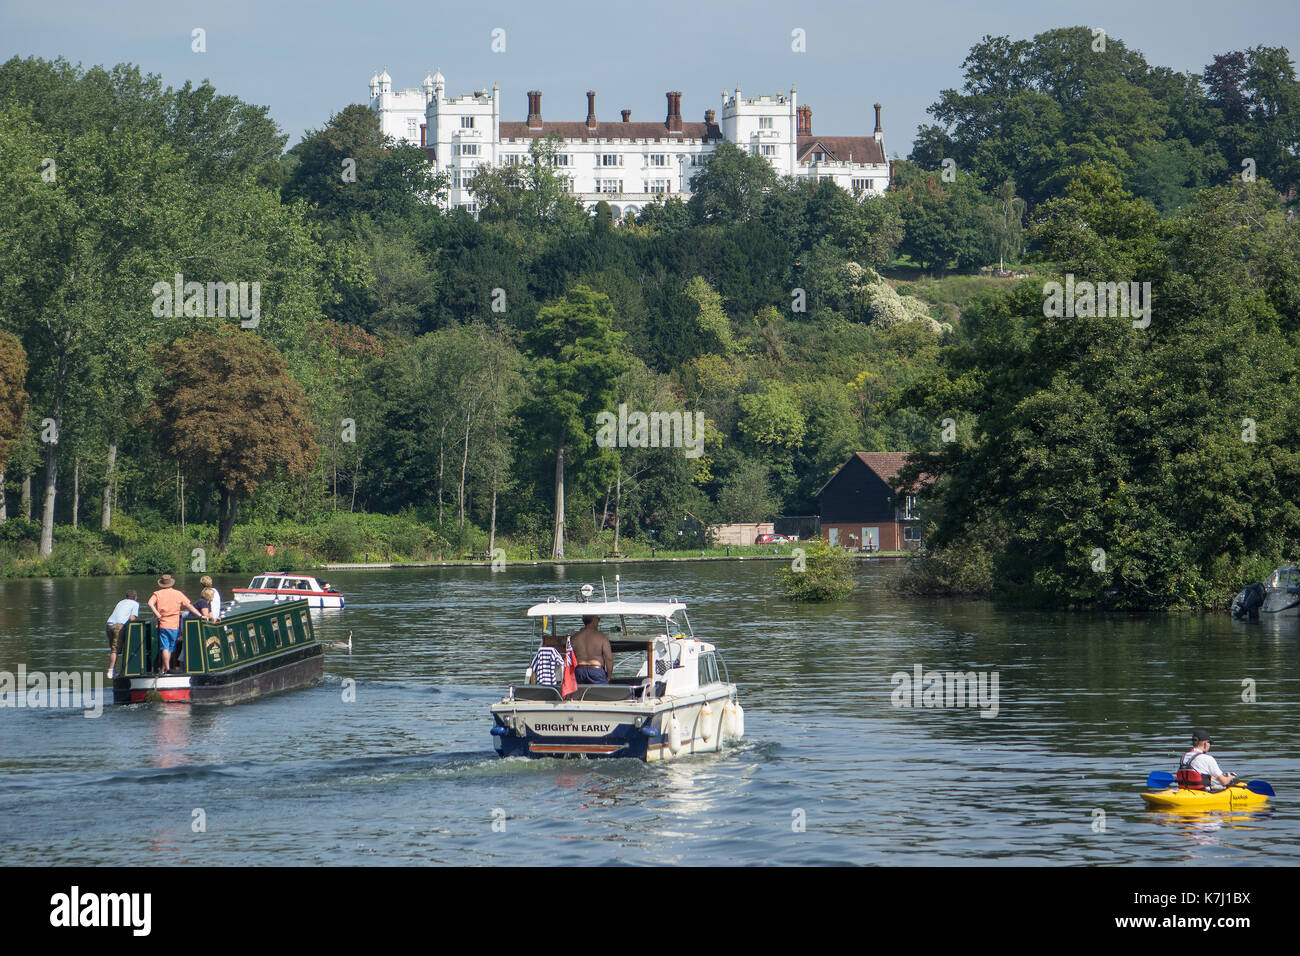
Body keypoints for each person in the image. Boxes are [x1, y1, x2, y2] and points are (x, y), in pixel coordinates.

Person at [148, 574, 200, 673]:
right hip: (174, 624)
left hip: (162, 623)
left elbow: (150, 603)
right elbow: (189, 606)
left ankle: (165, 669)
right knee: (171, 648)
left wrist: (157, 614)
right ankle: (167, 669)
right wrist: (200, 615)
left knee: (165, 647)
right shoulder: (178, 593)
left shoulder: (157, 594)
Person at [106, 589, 139, 678]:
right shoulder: (135, 604)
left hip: (109, 625)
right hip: (118, 626)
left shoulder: (120, 602)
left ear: (126, 597)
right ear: (135, 598)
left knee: (113, 649)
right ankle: (111, 670)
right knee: (115, 650)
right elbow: (132, 618)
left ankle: (114, 671)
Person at [570, 615, 613, 684]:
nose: (598, 621)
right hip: (596, 671)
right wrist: (609, 676)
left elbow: (570, 657)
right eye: (598, 619)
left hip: (579, 671)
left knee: (580, 694)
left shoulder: (575, 637)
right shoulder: (602, 637)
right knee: (600, 694)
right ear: (594, 620)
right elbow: (609, 658)